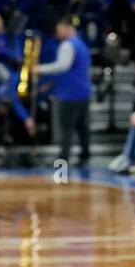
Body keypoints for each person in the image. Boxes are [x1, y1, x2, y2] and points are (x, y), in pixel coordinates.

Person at [32, 18, 92, 166]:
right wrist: (51, 83)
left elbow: (63, 66)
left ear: (67, 28)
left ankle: (63, 158)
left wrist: (40, 69)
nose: (57, 34)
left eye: (59, 31)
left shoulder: (67, 45)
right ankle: (85, 154)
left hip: (70, 93)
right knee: (81, 126)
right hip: (83, 91)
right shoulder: (82, 44)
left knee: (66, 127)